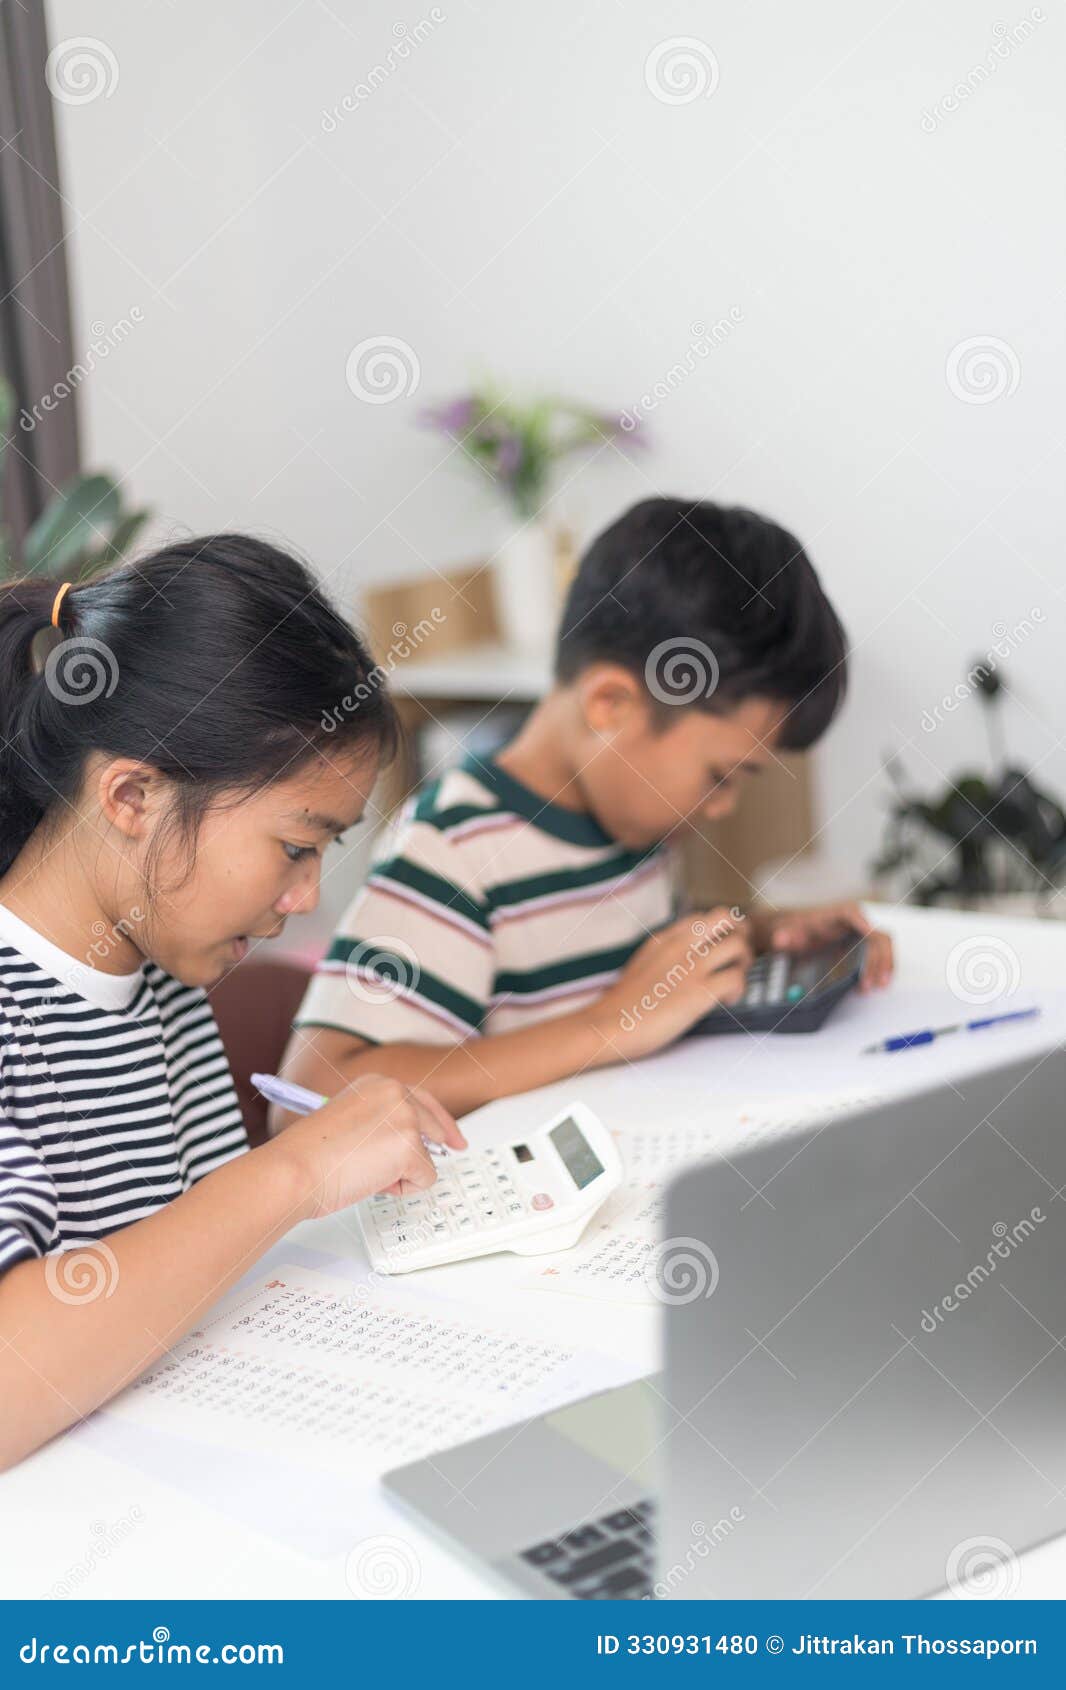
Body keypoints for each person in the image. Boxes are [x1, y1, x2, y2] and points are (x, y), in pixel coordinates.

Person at [0, 536, 464, 1470]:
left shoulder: (165, 976)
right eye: (297, 845)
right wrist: (290, 1173)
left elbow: (191, 1273)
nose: (307, 900)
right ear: (131, 795)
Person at [280, 498, 893, 1121]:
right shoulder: (448, 850)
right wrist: (610, 1024)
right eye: (719, 777)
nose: (722, 807)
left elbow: (631, 970)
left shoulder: (633, 822)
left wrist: (758, 936)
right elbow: (312, 1096)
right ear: (611, 706)